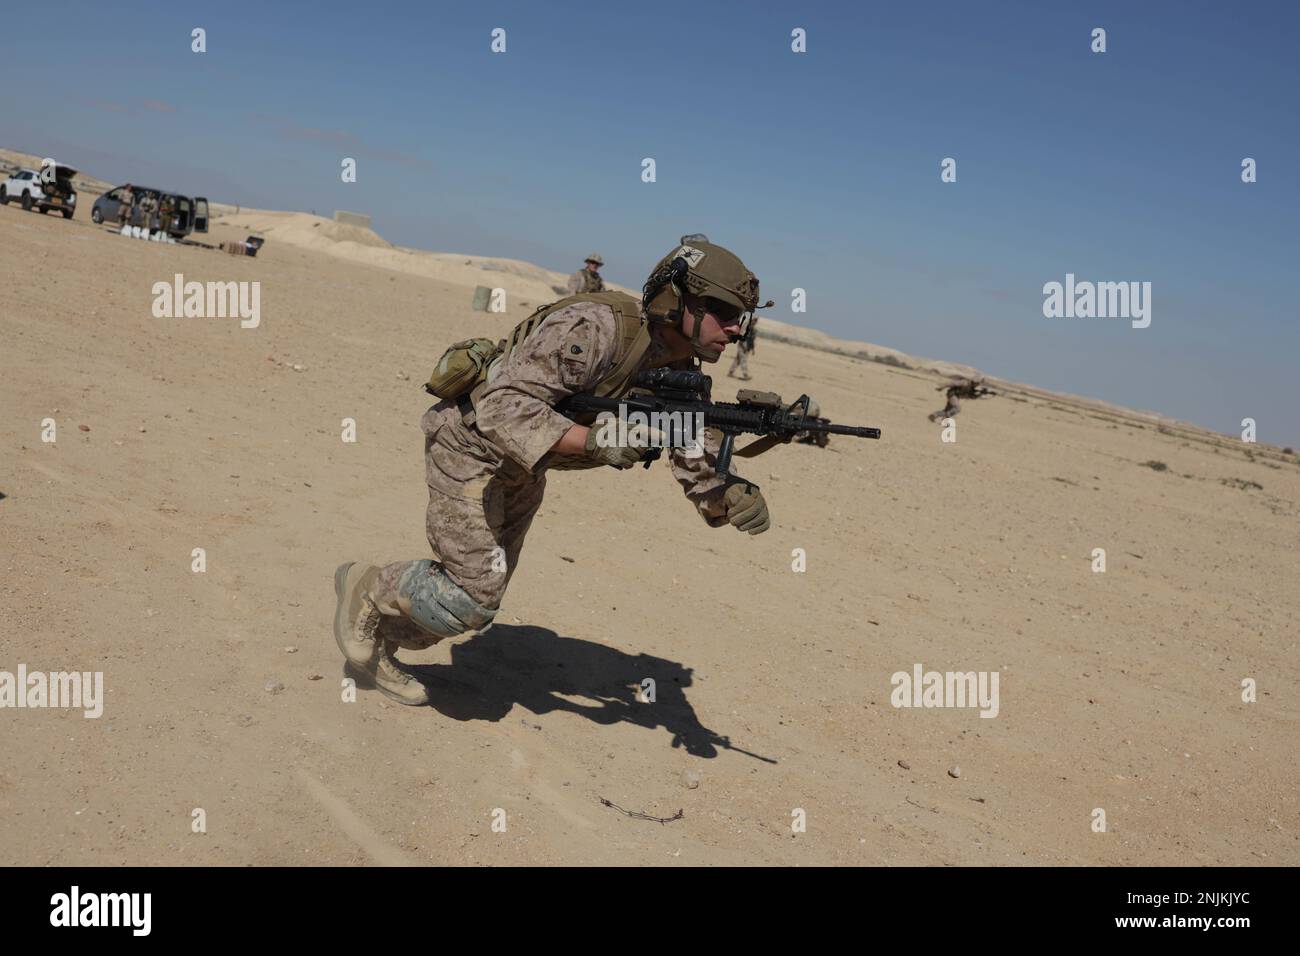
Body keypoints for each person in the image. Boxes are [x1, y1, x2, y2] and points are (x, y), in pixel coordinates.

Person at [333, 236, 770, 705]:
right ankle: (367, 584)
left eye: (740, 318)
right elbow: (501, 407)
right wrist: (593, 441)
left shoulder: (681, 369)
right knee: (471, 596)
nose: (734, 329)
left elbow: (690, 450)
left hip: (525, 467)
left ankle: (376, 645)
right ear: (678, 299)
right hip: (471, 447)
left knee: (477, 602)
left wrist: (726, 496)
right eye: (724, 313)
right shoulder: (595, 329)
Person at [928, 376, 993, 422]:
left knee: (947, 410)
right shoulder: (964, 382)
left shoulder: (972, 387)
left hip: (956, 396)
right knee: (957, 408)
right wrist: (941, 387)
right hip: (952, 395)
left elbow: (971, 396)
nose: (978, 385)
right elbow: (951, 383)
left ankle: (934, 415)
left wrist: (980, 394)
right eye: (977, 383)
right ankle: (945, 418)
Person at [727, 313, 757, 380]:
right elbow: (741, 334)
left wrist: (752, 349)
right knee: (743, 360)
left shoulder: (753, 328)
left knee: (737, 360)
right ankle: (745, 375)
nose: (755, 322)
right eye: (755, 320)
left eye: (756, 320)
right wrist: (742, 345)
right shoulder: (746, 325)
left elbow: (752, 340)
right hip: (742, 346)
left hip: (747, 347)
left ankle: (731, 372)